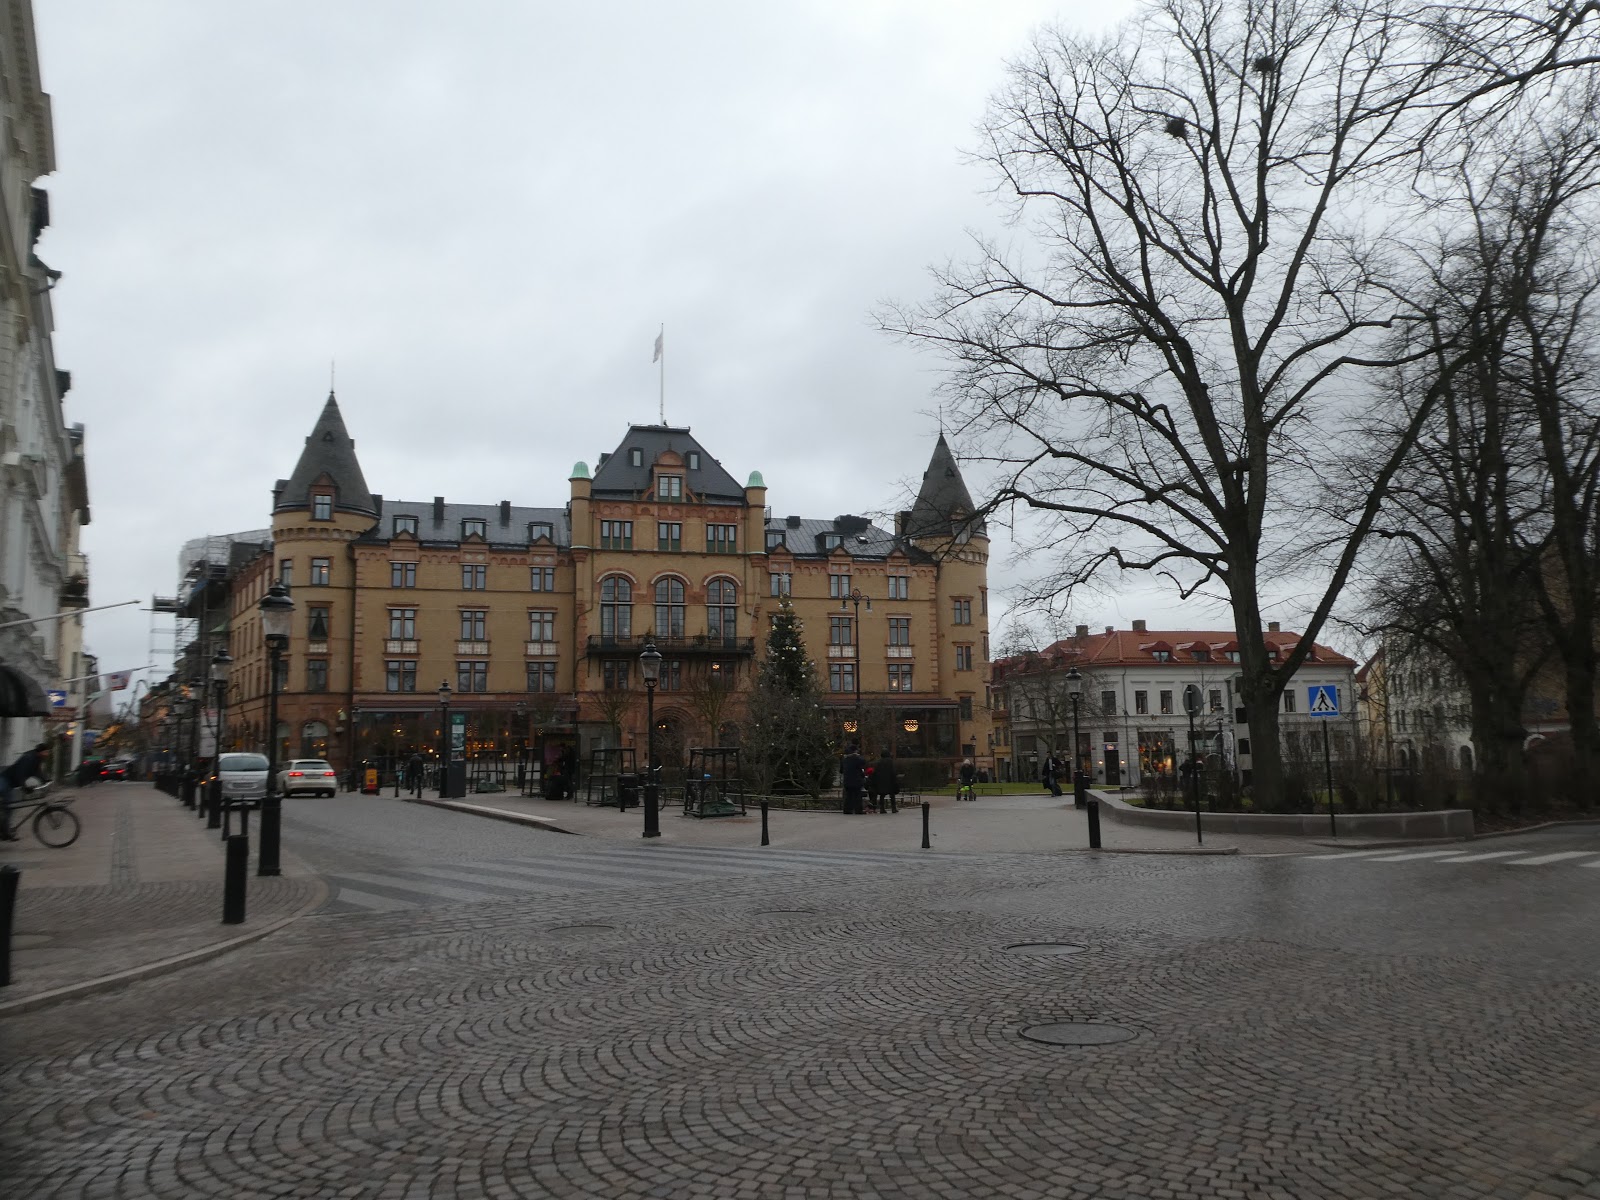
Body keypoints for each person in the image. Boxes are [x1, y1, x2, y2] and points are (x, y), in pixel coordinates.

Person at [1, 742, 50, 840]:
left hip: (11, 784)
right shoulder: (28, 758)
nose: (48, 754)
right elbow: (20, 774)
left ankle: (4, 831)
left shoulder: (37, 759)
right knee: (7, 805)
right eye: (46, 751)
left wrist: (46, 780)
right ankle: (5, 831)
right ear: (41, 751)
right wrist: (24, 787)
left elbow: (36, 772)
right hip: (4, 780)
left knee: (9, 807)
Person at [840, 744, 867, 815]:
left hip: (847, 781)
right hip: (856, 780)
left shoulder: (844, 759)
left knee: (848, 796)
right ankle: (858, 810)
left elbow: (841, 770)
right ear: (855, 751)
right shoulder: (857, 758)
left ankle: (847, 810)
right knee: (858, 795)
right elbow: (863, 761)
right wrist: (857, 755)